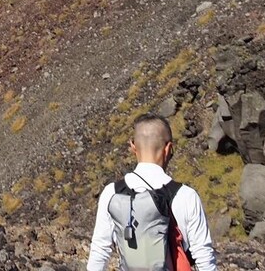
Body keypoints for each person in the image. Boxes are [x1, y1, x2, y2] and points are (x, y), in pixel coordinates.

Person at [86, 114, 217, 271]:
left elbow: (99, 252)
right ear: (168, 148)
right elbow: (204, 256)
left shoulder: (112, 193)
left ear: (133, 146)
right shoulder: (186, 195)